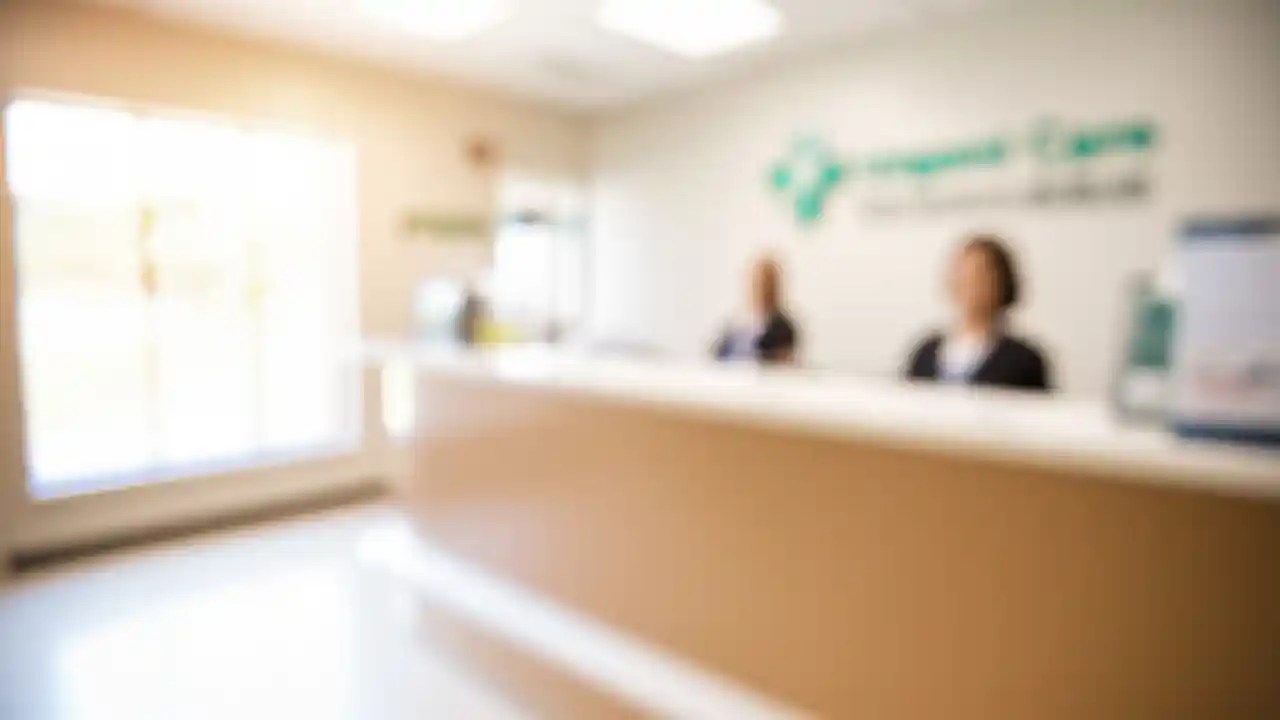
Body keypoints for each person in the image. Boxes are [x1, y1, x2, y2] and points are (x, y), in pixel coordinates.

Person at [905, 234, 1051, 391]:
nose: (969, 283)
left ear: (1002, 283)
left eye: (979, 274)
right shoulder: (925, 353)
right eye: (962, 272)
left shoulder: (1024, 360)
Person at [714, 255, 799, 365]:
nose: (761, 290)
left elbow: (778, 366)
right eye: (756, 283)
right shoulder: (735, 325)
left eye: (766, 284)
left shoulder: (783, 329)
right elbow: (717, 355)